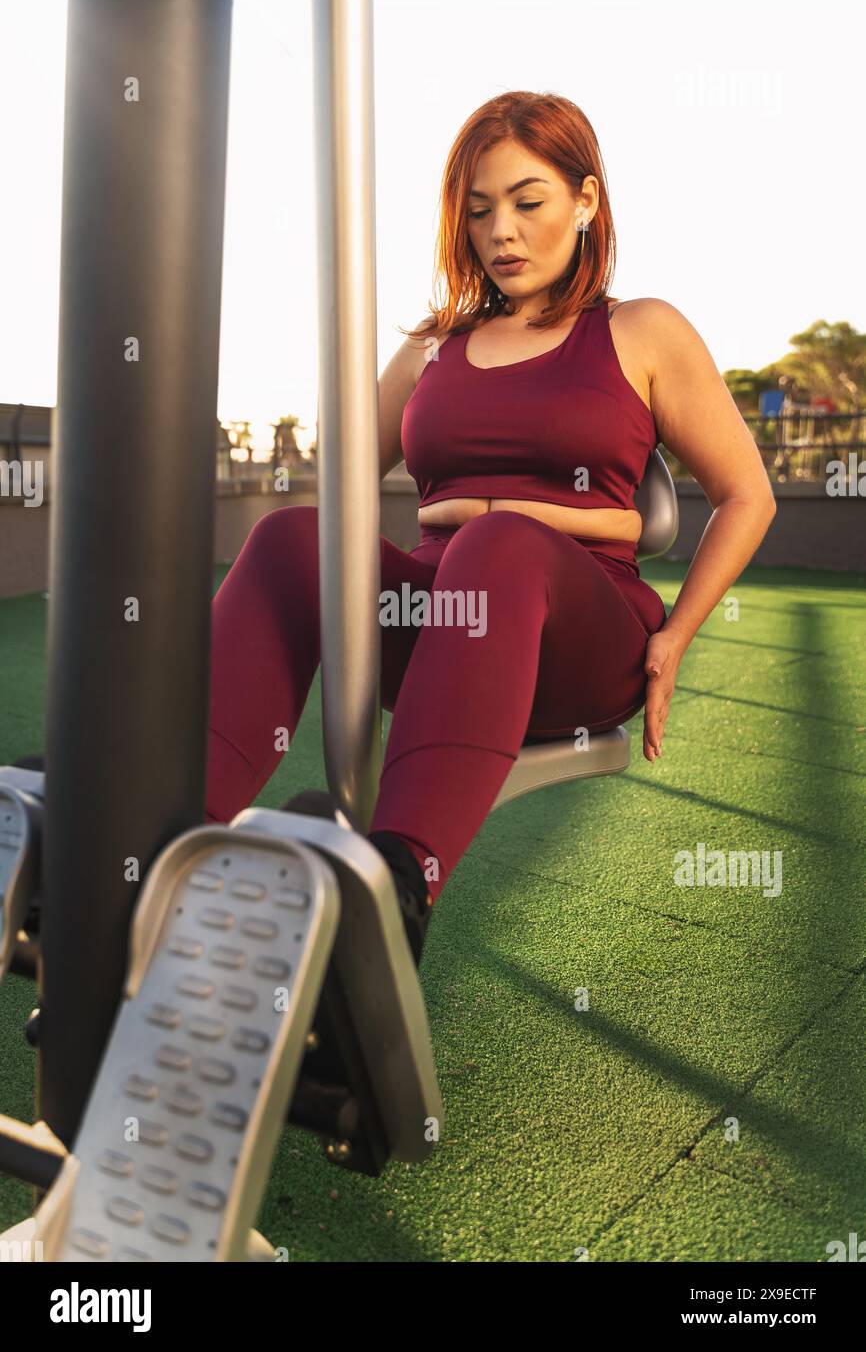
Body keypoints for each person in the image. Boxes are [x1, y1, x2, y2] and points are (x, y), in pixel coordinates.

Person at [202, 90, 777, 964]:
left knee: (495, 543)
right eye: (478, 211)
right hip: (441, 630)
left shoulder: (640, 330)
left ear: (586, 201)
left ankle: (389, 892)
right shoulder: (435, 346)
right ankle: (158, 833)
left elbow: (748, 495)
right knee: (293, 538)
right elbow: (344, 481)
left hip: (578, 631)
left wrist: (678, 638)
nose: (500, 231)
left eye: (527, 202)